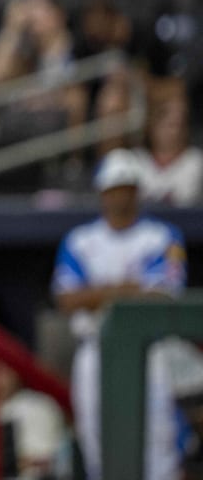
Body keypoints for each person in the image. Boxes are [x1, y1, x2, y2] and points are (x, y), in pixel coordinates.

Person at [53, 149, 185, 480]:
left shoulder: (161, 236)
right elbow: (67, 298)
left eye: (126, 186)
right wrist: (128, 289)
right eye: (113, 187)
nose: (119, 195)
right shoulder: (81, 240)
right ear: (101, 191)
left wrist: (98, 293)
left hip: (150, 351)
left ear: (137, 190)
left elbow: (163, 294)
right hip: (94, 348)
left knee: (158, 437)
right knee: (95, 434)